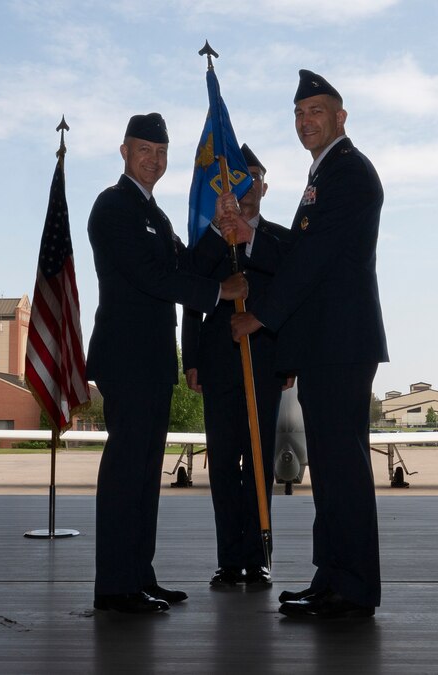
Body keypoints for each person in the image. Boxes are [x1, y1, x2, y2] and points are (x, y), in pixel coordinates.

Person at [232, 70, 388, 619]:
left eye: (315, 111)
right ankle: (332, 577)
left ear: (341, 117)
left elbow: (314, 258)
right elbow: (302, 250)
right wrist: (252, 235)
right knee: (330, 466)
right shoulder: (322, 174)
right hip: (325, 343)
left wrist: (262, 317)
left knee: (342, 468)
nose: (305, 121)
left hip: (340, 343)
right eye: (299, 114)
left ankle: (352, 588)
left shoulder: (348, 172)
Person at [85, 112, 248, 614]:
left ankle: (139, 575)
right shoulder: (113, 207)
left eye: (160, 153)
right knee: (126, 473)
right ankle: (115, 586)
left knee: (144, 474)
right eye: (143, 151)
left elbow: (181, 264)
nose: (153, 160)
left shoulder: (153, 214)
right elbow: (153, 276)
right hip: (126, 360)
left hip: (153, 361)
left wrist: (220, 230)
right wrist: (220, 292)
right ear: (124, 152)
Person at [182, 144, 293, 589]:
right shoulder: (209, 240)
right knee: (224, 464)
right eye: (238, 179)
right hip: (219, 365)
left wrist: (290, 359)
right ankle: (230, 558)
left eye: (254, 179)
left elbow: (293, 298)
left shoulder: (283, 240)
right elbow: (191, 300)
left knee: (261, 461)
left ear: (264, 187)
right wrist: (191, 359)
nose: (247, 187)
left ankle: (259, 555)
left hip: (265, 363)